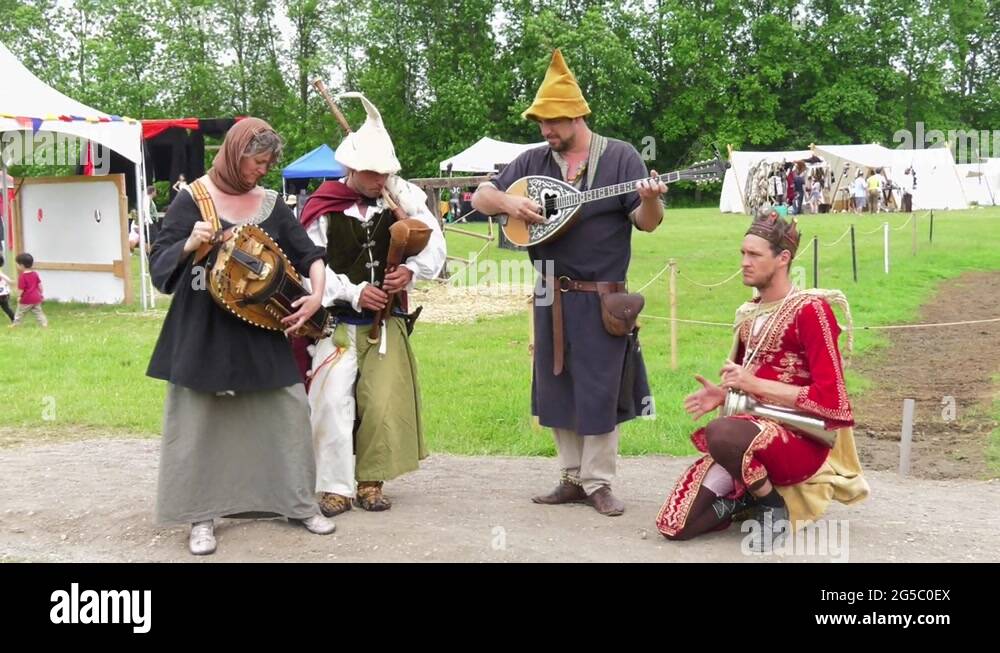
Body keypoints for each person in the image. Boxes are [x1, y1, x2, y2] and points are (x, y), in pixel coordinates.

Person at [471, 49, 667, 516]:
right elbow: (481, 196)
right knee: (557, 382)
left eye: (553, 122)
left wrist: (652, 199)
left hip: (604, 296)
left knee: (599, 385)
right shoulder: (533, 160)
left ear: (577, 115)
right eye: (541, 122)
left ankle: (598, 482)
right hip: (549, 291)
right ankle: (571, 477)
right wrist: (509, 204)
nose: (546, 131)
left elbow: (647, 222)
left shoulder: (620, 156)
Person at [147, 118, 335, 555]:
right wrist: (192, 244)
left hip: (261, 324)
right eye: (259, 161)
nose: (264, 170)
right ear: (235, 154)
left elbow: (309, 254)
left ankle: (298, 503)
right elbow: (161, 269)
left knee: (287, 410)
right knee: (200, 424)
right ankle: (201, 516)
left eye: (269, 162)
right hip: (202, 329)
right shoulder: (192, 198)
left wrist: (316, 296)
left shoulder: (269, 202)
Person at [655, 209, 869, 549]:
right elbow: (742, 384)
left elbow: (833, 402)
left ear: (783, 258)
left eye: (754, 254)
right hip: (747, 431)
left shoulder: (811, 310)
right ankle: (748, 498)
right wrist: (723, 397)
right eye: (743, 252)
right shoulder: (748, 313)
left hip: (801, 440)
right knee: (675, 524)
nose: (744, 262)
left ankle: (773, 506)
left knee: (720, 433)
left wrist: (753, 386)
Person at [299, 93, 446, 517]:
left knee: (382, 402)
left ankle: (370, 481)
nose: (378, 178)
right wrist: (354, 291)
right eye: (370, 171)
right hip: (337, 323)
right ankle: (334, 486)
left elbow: (435, 246)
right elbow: (312, 266)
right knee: (331, 402)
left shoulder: (404, 198)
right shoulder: (323, 204)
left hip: (387, 322)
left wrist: (411, 273)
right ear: (349, 167)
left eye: (384, 171)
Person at [11, 253, 47, 328]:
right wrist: (41, 293)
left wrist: (18, 296)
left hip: (26, 299)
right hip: (36, 298)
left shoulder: (22, 276)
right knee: (39, 312)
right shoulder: (35, 274)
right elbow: (40, 285)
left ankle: (16, 324)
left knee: (20, 313)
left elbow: (21, 289)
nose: (17, 266)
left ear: (21, 265)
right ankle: (44, 324)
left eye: (17, 264)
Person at [0, 254, 14, 322]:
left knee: (7, 308)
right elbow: (8, 280)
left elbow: (7, 279)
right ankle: (14, 320)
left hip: (2, 294)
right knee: (7, 308)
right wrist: (11, 282)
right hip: (4, 294)